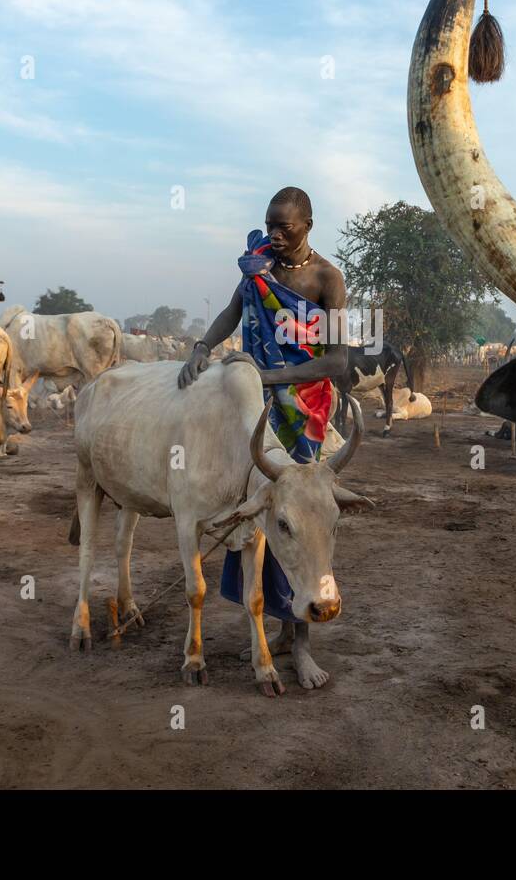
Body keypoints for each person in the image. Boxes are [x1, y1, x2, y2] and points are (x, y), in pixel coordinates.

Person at [178, 186, 349, 688]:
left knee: (304, 524)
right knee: (263, 517)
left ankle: (301, 644)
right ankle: (269, 625)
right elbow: (233, 313)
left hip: (304, 412)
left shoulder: (327, 278)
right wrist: (202, 346)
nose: (275, 235)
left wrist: (266, 377)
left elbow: (338, 360)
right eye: (269, 225)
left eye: (285, 228)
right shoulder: (258, 270)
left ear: (309, 225)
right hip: (256, 411)